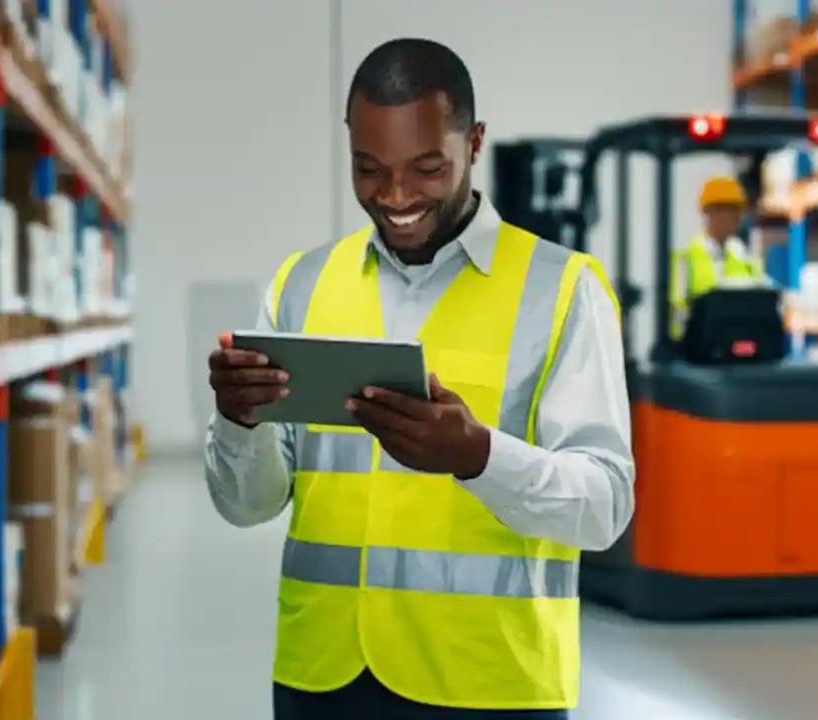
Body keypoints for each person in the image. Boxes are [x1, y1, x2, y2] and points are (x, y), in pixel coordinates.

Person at [203, 37, 634, 720]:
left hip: (489, 685)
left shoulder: (562, 291)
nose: (396, 196)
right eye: (368, 169)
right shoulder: (302, 284)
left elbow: (605, 508)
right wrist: (237, 422)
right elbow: (247, 505)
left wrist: (478, 457)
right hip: (322, 678)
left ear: (475, 143)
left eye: (427, 167)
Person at [669, 175, 767, 336]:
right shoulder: (686, 259)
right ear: (709, 212)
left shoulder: (745, 257)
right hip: (699, 352)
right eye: (728, 209)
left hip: (740, 347)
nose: (735, 217)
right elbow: (677, 315)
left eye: (737, 210)